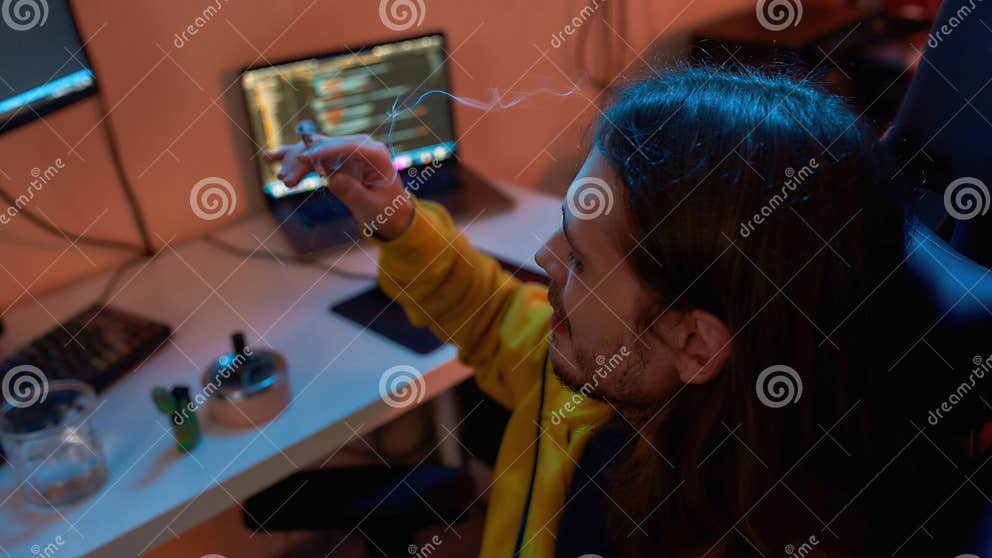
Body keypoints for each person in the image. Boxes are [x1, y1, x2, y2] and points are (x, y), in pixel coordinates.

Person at [268, 65, 950, 556]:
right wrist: (395, 216)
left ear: (694, 343)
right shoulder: (605, 386)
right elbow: (496, 320)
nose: (545, 256)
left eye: (582, 260)